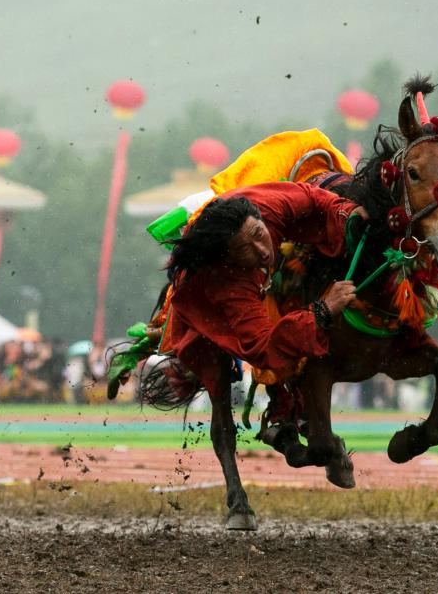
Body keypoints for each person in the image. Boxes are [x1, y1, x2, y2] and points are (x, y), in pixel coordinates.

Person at [157, 182, 366, 434]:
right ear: (229, 256)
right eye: (244, 249)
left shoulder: (268, 205)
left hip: (255, 195)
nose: (262, 250)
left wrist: (347, 211)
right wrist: (322, 310)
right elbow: (262, 347)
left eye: (259, 234)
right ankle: (280, 405)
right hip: (202, 298)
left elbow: (313, 198)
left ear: (259, 217)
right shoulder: (230, 280)